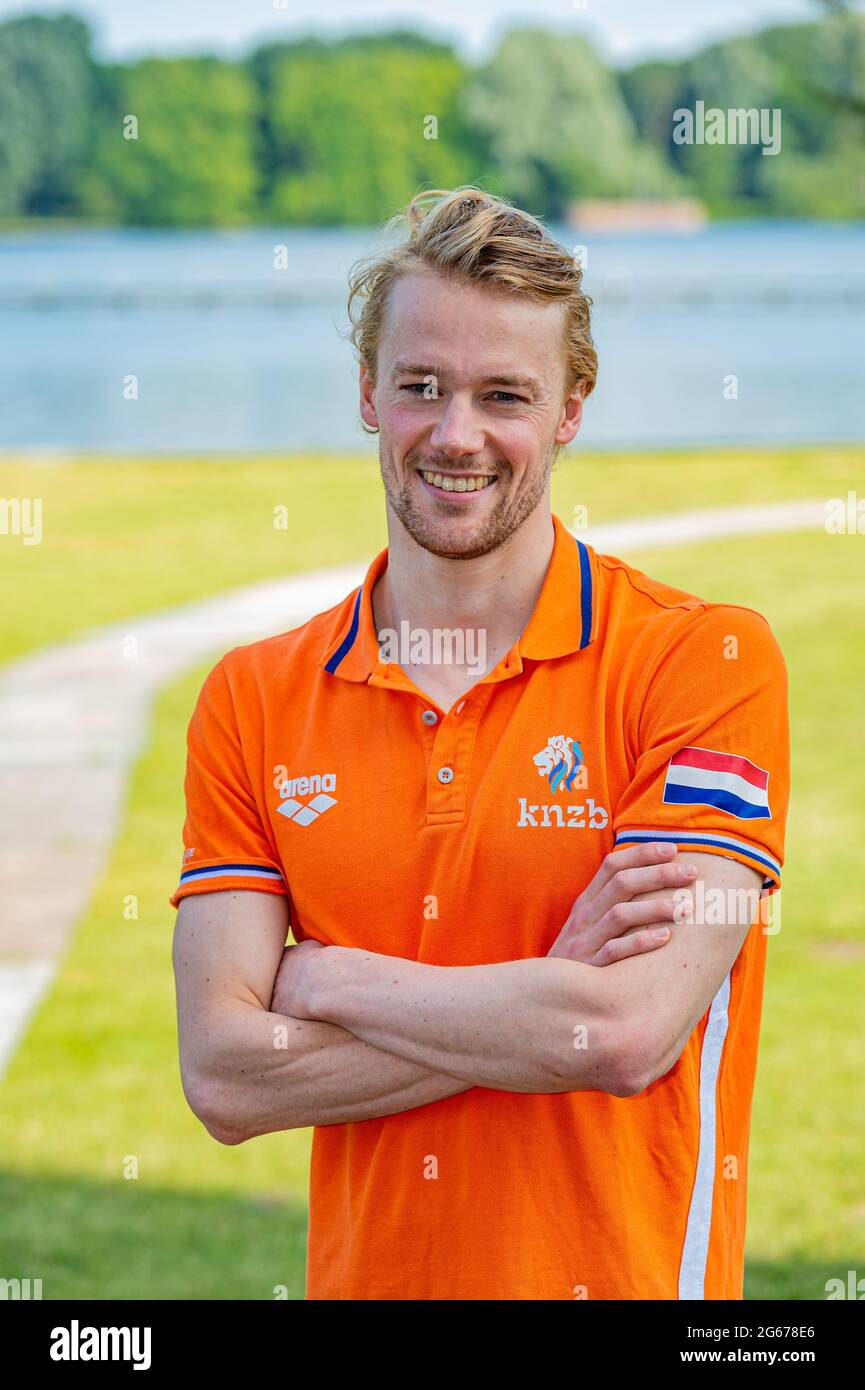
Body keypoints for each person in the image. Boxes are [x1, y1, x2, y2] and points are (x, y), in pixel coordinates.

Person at [170, 188, 789, 1300]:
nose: (458, 435)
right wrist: (546, 992)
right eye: (422, 387)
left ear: (570, 410)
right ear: (368, 391)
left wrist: (329, 978)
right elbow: (224, 1077)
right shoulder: (252, 696)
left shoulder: (707, 664)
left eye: (504, 394)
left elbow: (623, 1033)